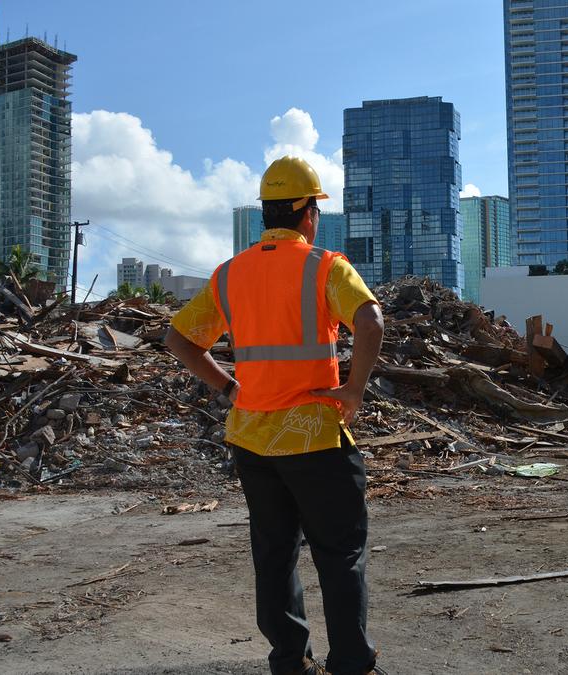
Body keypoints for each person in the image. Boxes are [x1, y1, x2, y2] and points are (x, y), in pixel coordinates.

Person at [165, 156, 385, 675]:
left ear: (267, 213)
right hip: (315, 438)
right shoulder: (324, 266)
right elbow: (370, 322)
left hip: (252, 440)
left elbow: (177, 339)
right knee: (340, 552)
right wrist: (353, 390)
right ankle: (352, 663)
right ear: (308, 211)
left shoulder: (230, 274)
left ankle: (290, 662)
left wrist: (227, 385)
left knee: (274, 553)